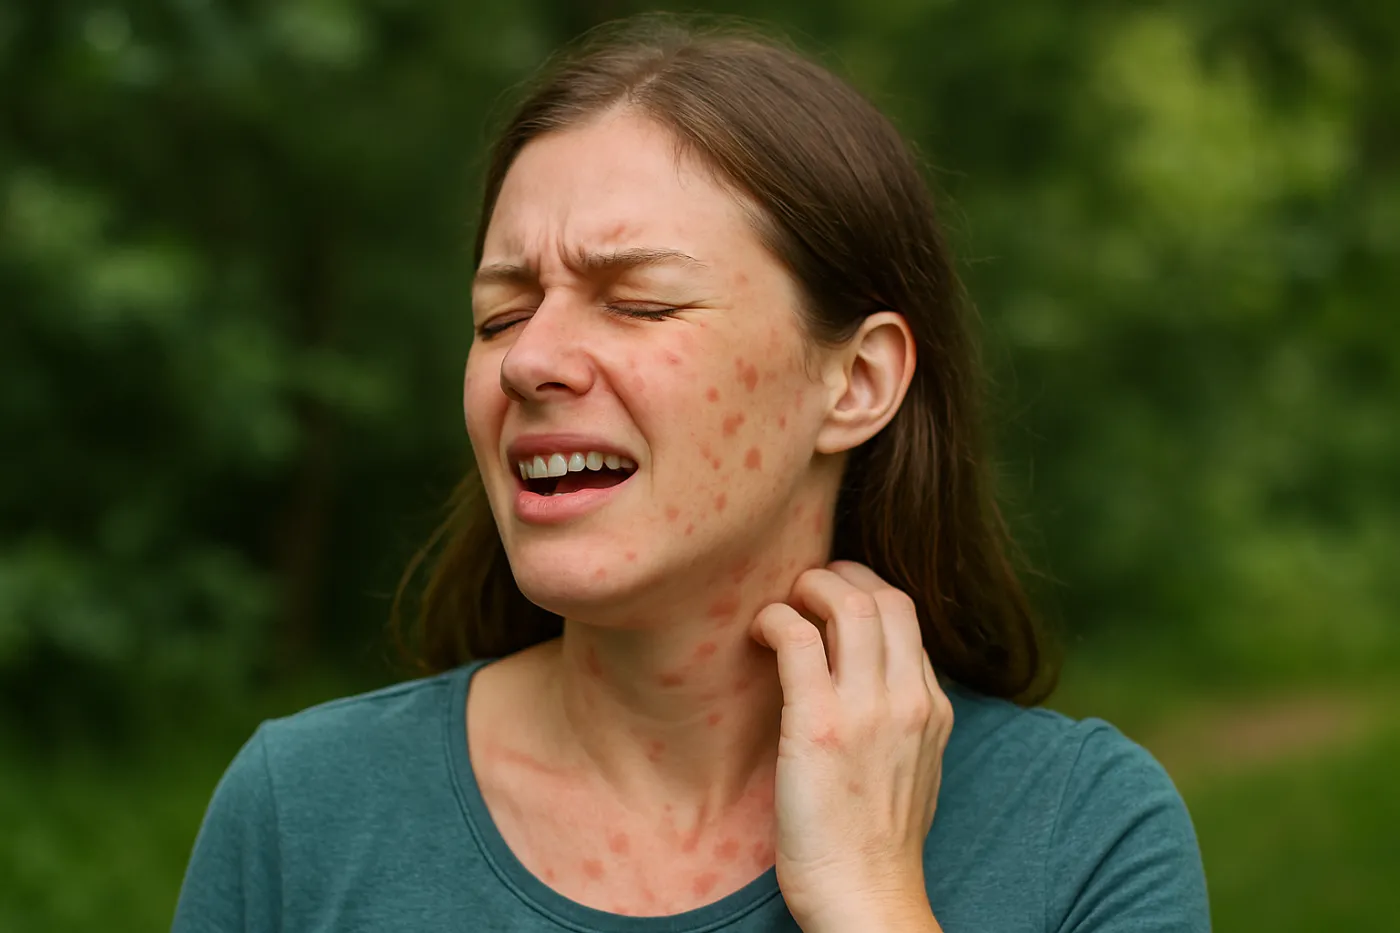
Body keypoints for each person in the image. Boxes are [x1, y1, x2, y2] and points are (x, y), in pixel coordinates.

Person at [173, 15, 1209, 933]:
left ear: (853, 382)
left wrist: (869, 900)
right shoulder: (301, 810)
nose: (529, 359)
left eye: (638, 303)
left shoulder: (1082, 833)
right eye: (500, 313)